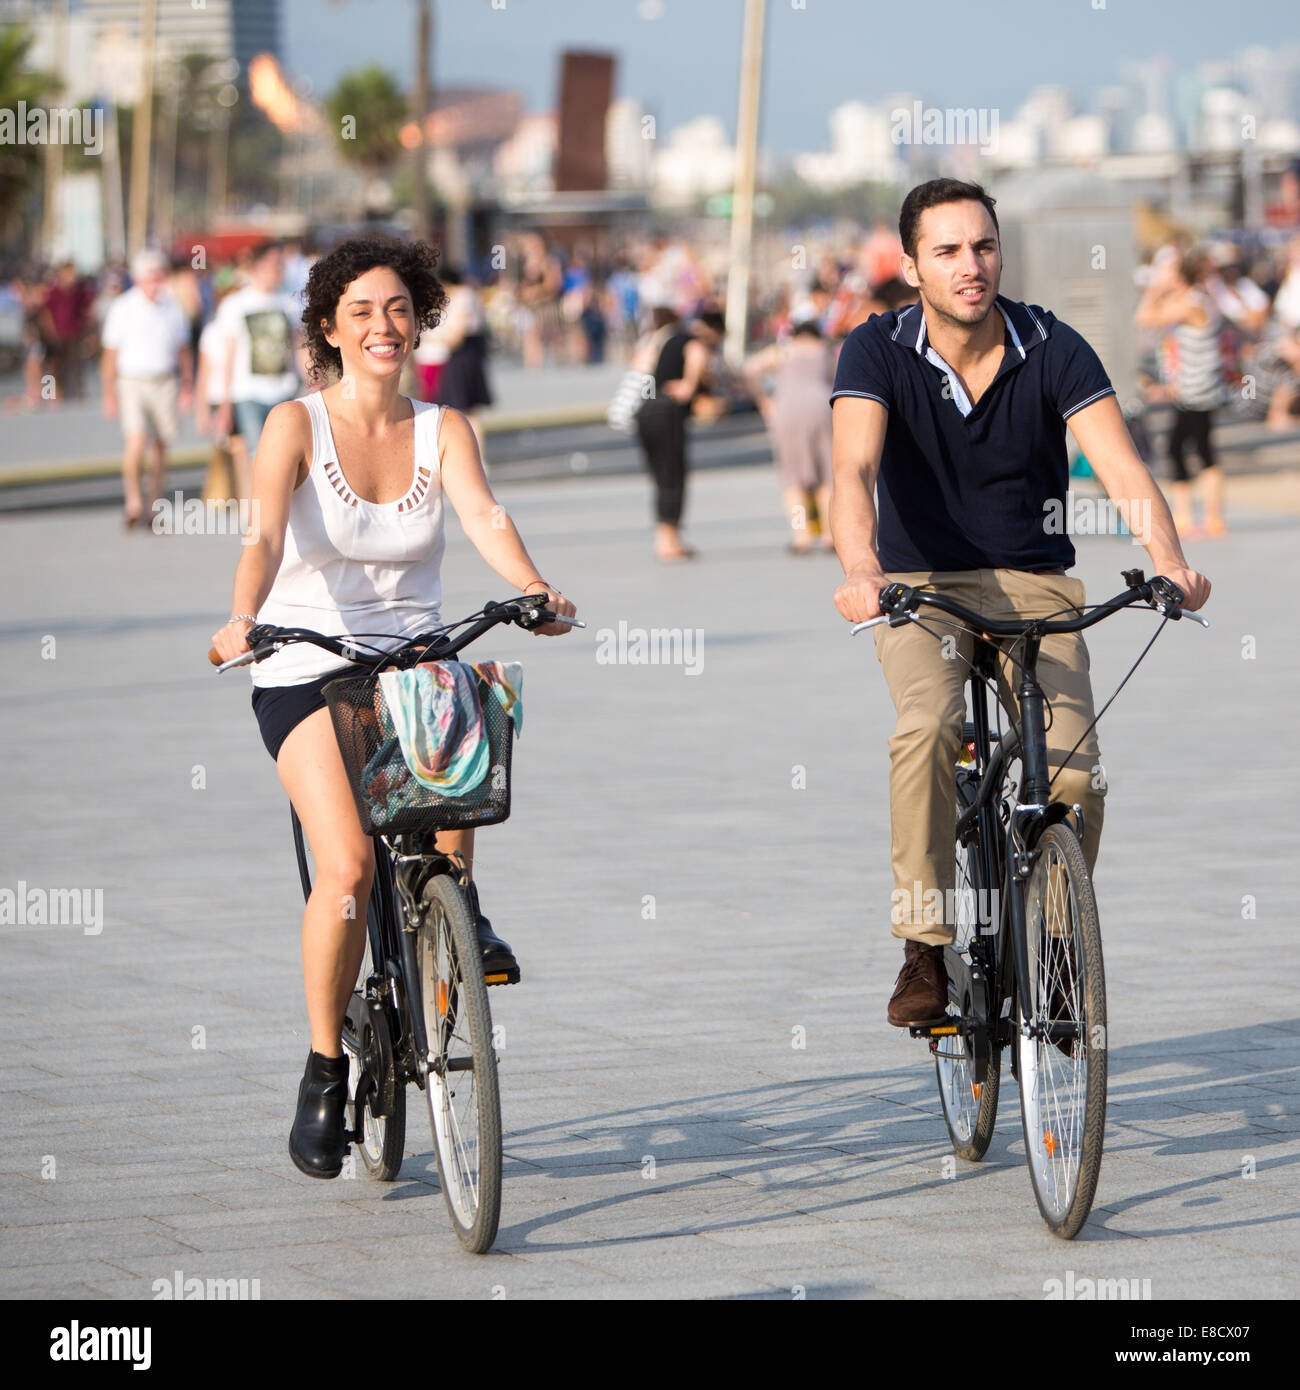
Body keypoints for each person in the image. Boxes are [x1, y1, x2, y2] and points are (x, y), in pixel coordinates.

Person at [208, 238, 577, 1180]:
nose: (384, 325)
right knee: (347, 867)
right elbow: (261, 536)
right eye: (362, 311)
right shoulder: (293, 424)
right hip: (305, 664)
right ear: (330, 328)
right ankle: (324, 1067)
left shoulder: (444, 427)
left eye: (400, 308)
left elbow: (484, 516)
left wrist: (533, 588)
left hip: (413, 658)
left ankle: (458, 911)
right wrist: (241, 617)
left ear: (421, 322)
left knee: (468, 727)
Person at [829, 179, 1210, 1028]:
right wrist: (860, 568)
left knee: (1075, 770)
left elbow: (1121, 466)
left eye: (984, 246)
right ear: (911, 266)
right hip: (918, 588)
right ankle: (924, 947)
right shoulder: (877, 349)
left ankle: (1060, 948)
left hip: (1037, 584)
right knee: (927, 729)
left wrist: (1170, 562)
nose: (971, 265)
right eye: (947, 251)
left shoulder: (1051, 343)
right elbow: (852, 470)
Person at [1135, 250, 1228, 538]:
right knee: (1193, 448)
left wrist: (1154, 289)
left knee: (1190, 449)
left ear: (1180, 277)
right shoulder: (1190, 299)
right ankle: (1197, 517)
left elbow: (1144, 318)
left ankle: (1204, 517)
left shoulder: (1191, 304)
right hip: (1190, 391)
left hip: (1198, 393)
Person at [100, 249, 194, 529]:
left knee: (161, 445)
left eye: (158, 276)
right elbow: (110, 354)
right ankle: (133, 502)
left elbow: (183, 349)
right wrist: (108, 393)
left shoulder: (173, 306)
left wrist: (187, 385)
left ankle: (154, 503)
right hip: (132, 381)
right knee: (136, 441)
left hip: (165, 381)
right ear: (139, 279)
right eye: (150, 277)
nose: (155, 282)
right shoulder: (123, 307)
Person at [745, 321, 836, 553]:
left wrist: (763, 399)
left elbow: (750, 368)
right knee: (827, 475)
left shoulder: (783, 351)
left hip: (787, 410)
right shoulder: (826, 351)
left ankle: (801, 536)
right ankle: (829, 535)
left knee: (793, 478)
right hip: (823, 408)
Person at [632, 305, 713, 561]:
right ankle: (668, 541)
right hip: (667, 412)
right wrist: (689, 384)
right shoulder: (686, 338)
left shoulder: (654, 343)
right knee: (673, 475)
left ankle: (666, 537)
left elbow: (639, 370)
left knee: (661, 477)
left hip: (645, 411)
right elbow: (697, 354)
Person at [212, 240, 305, 458]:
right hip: (248, 393)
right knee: (258, 456)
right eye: (272, 264)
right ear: (257, 267)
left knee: (285, 455)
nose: (277, 269)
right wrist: (225, 403)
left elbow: (299, 346)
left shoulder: (290, 302)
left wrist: (312, 379)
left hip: (285, 390)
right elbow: (228, 355)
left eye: (280, 264)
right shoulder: (235, 304)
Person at [39, 260, 92, 401]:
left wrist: (85, 327)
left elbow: (86, 309)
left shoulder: (79, 291)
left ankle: (77, 392)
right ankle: (54, 392)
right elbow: (46, 311)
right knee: (54, 364)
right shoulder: (53, 291)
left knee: (76, 364)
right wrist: (49, 329)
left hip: (74, 332)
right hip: (56, 333)